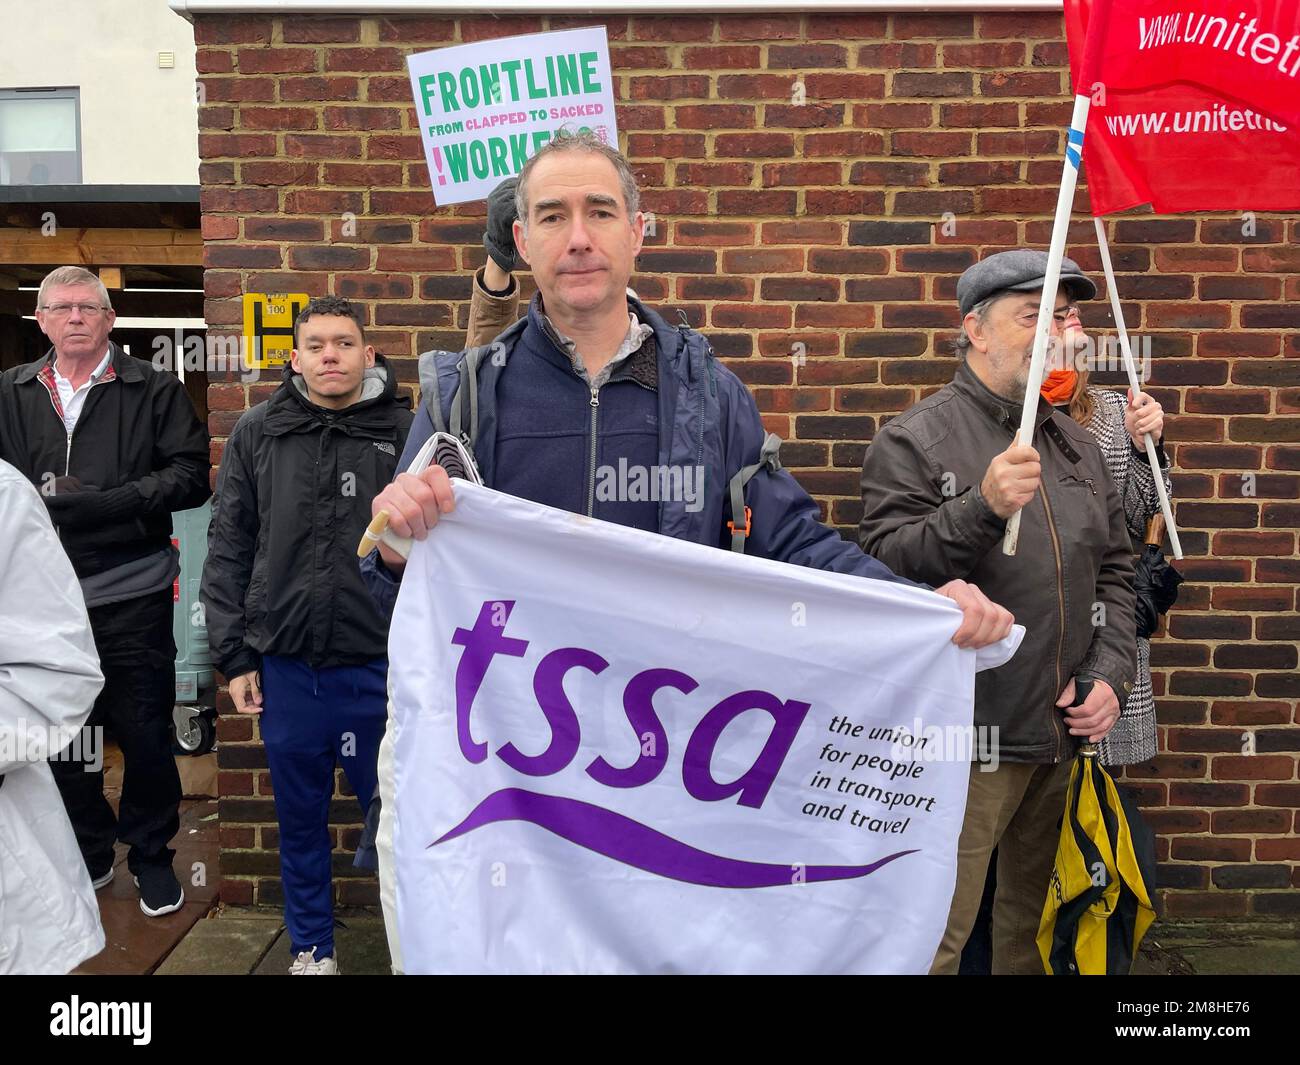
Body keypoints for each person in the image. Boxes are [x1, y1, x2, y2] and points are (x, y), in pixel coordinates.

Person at [361, 130, 1014, 653]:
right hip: (513, 766)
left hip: (664, 760)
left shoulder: (710, 396)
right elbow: (396, 595)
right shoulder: (461, 396)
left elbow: (792, 544)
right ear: (523, 241)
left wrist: (922, 602)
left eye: (601, 211)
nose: (580, 237)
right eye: (553, 216)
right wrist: (393, 552)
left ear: (638, 231)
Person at [858, 249, 1137, 975]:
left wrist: (1109, 674)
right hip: (960, 745)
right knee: (934, 939)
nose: (1058, 333)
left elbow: (1118, 570)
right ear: (976, 331)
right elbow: (886, 567)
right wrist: (981, 506)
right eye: (1035, 315)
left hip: (1061, 740)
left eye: (1067, 317)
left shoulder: (1075, 443)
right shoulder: (915, 439)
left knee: (1030, 936)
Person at [201, 296, 412, 975]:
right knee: (298, 825)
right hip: (289, 668)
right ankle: (313, 951)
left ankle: (417, 947)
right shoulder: (260, 433)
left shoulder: (406, 431)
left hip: (383, 669)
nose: (330, 355)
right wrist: (235, 657)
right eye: (316, 343)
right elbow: (229, 544)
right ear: (294, 357)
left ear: (367, 355)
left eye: (344, 343)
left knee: (402, 829)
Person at [0, 266, 210, 918]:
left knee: (144, 732)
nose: (74, 317)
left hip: (131, 588)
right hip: (40, 599)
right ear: (40, 320)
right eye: (60, 307)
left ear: (109, 319)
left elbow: (190, 475)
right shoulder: (11, 391)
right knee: (59, 734)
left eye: (88, 306)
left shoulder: (154, 389)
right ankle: (88, 850)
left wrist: (112, 503)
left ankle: (151, 856)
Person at [1043, 332, 1172, 766]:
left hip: (1102, 620)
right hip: (1023, 620)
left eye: (1072, 320)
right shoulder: (991, 416)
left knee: (1093, 779)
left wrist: (1143, 448)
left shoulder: (1117, 412)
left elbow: (1149, 520)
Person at [0, 459, 106, 973]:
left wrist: (106, 502)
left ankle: (135, 857)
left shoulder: (3, 492)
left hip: (128, 583)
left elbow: (56, 674)